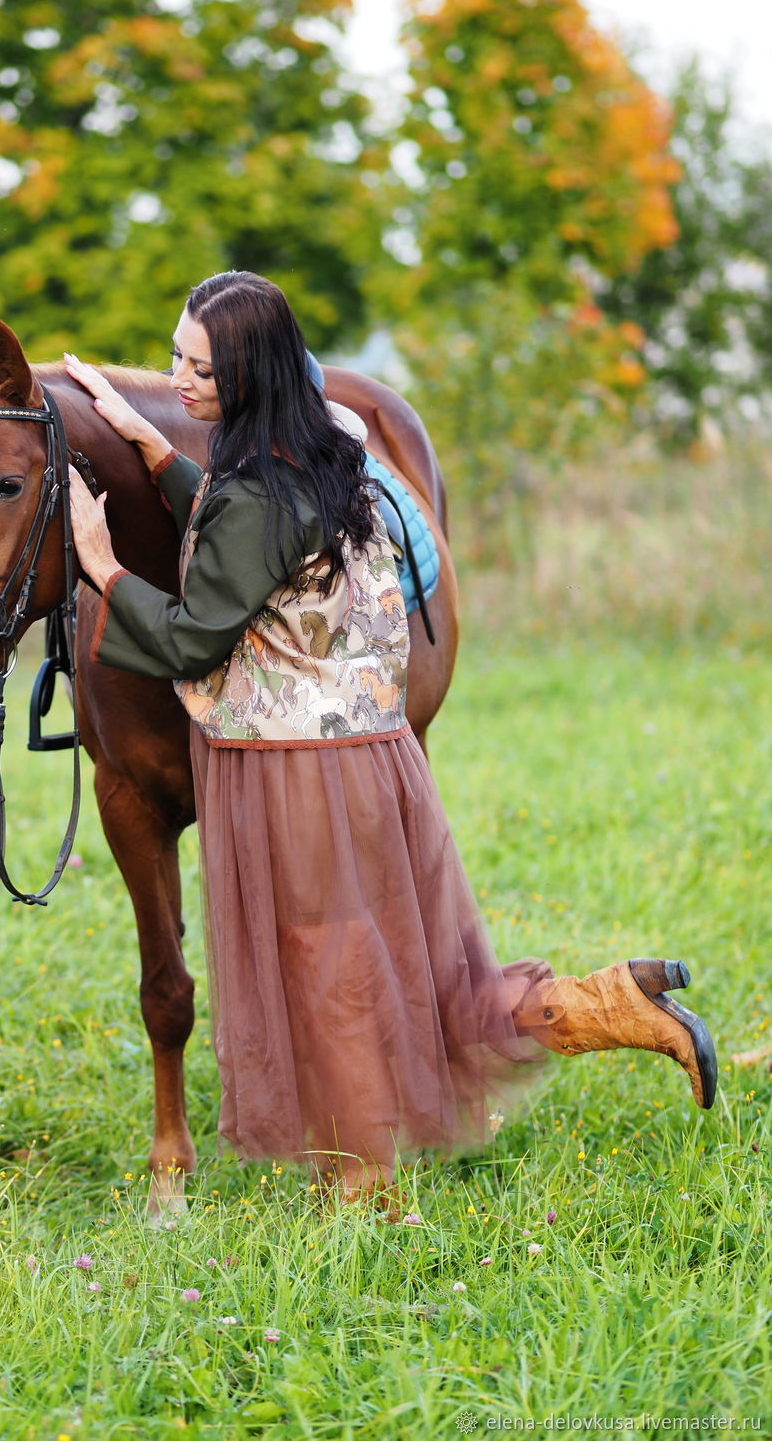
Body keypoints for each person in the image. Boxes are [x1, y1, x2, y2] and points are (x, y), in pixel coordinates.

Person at [66, 270, 716, 1192]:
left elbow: (192, 634)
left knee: (324, 971)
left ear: (250, 377)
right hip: (365, 755)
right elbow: (248, 526)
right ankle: (608, 1002)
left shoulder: (256, 492)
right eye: (175, 357)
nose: (179, 381)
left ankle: (366, 1188)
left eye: (202, 370)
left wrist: (102, 567)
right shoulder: (326, 444)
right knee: (390, 966)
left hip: (294, 766)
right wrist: (150, 444)